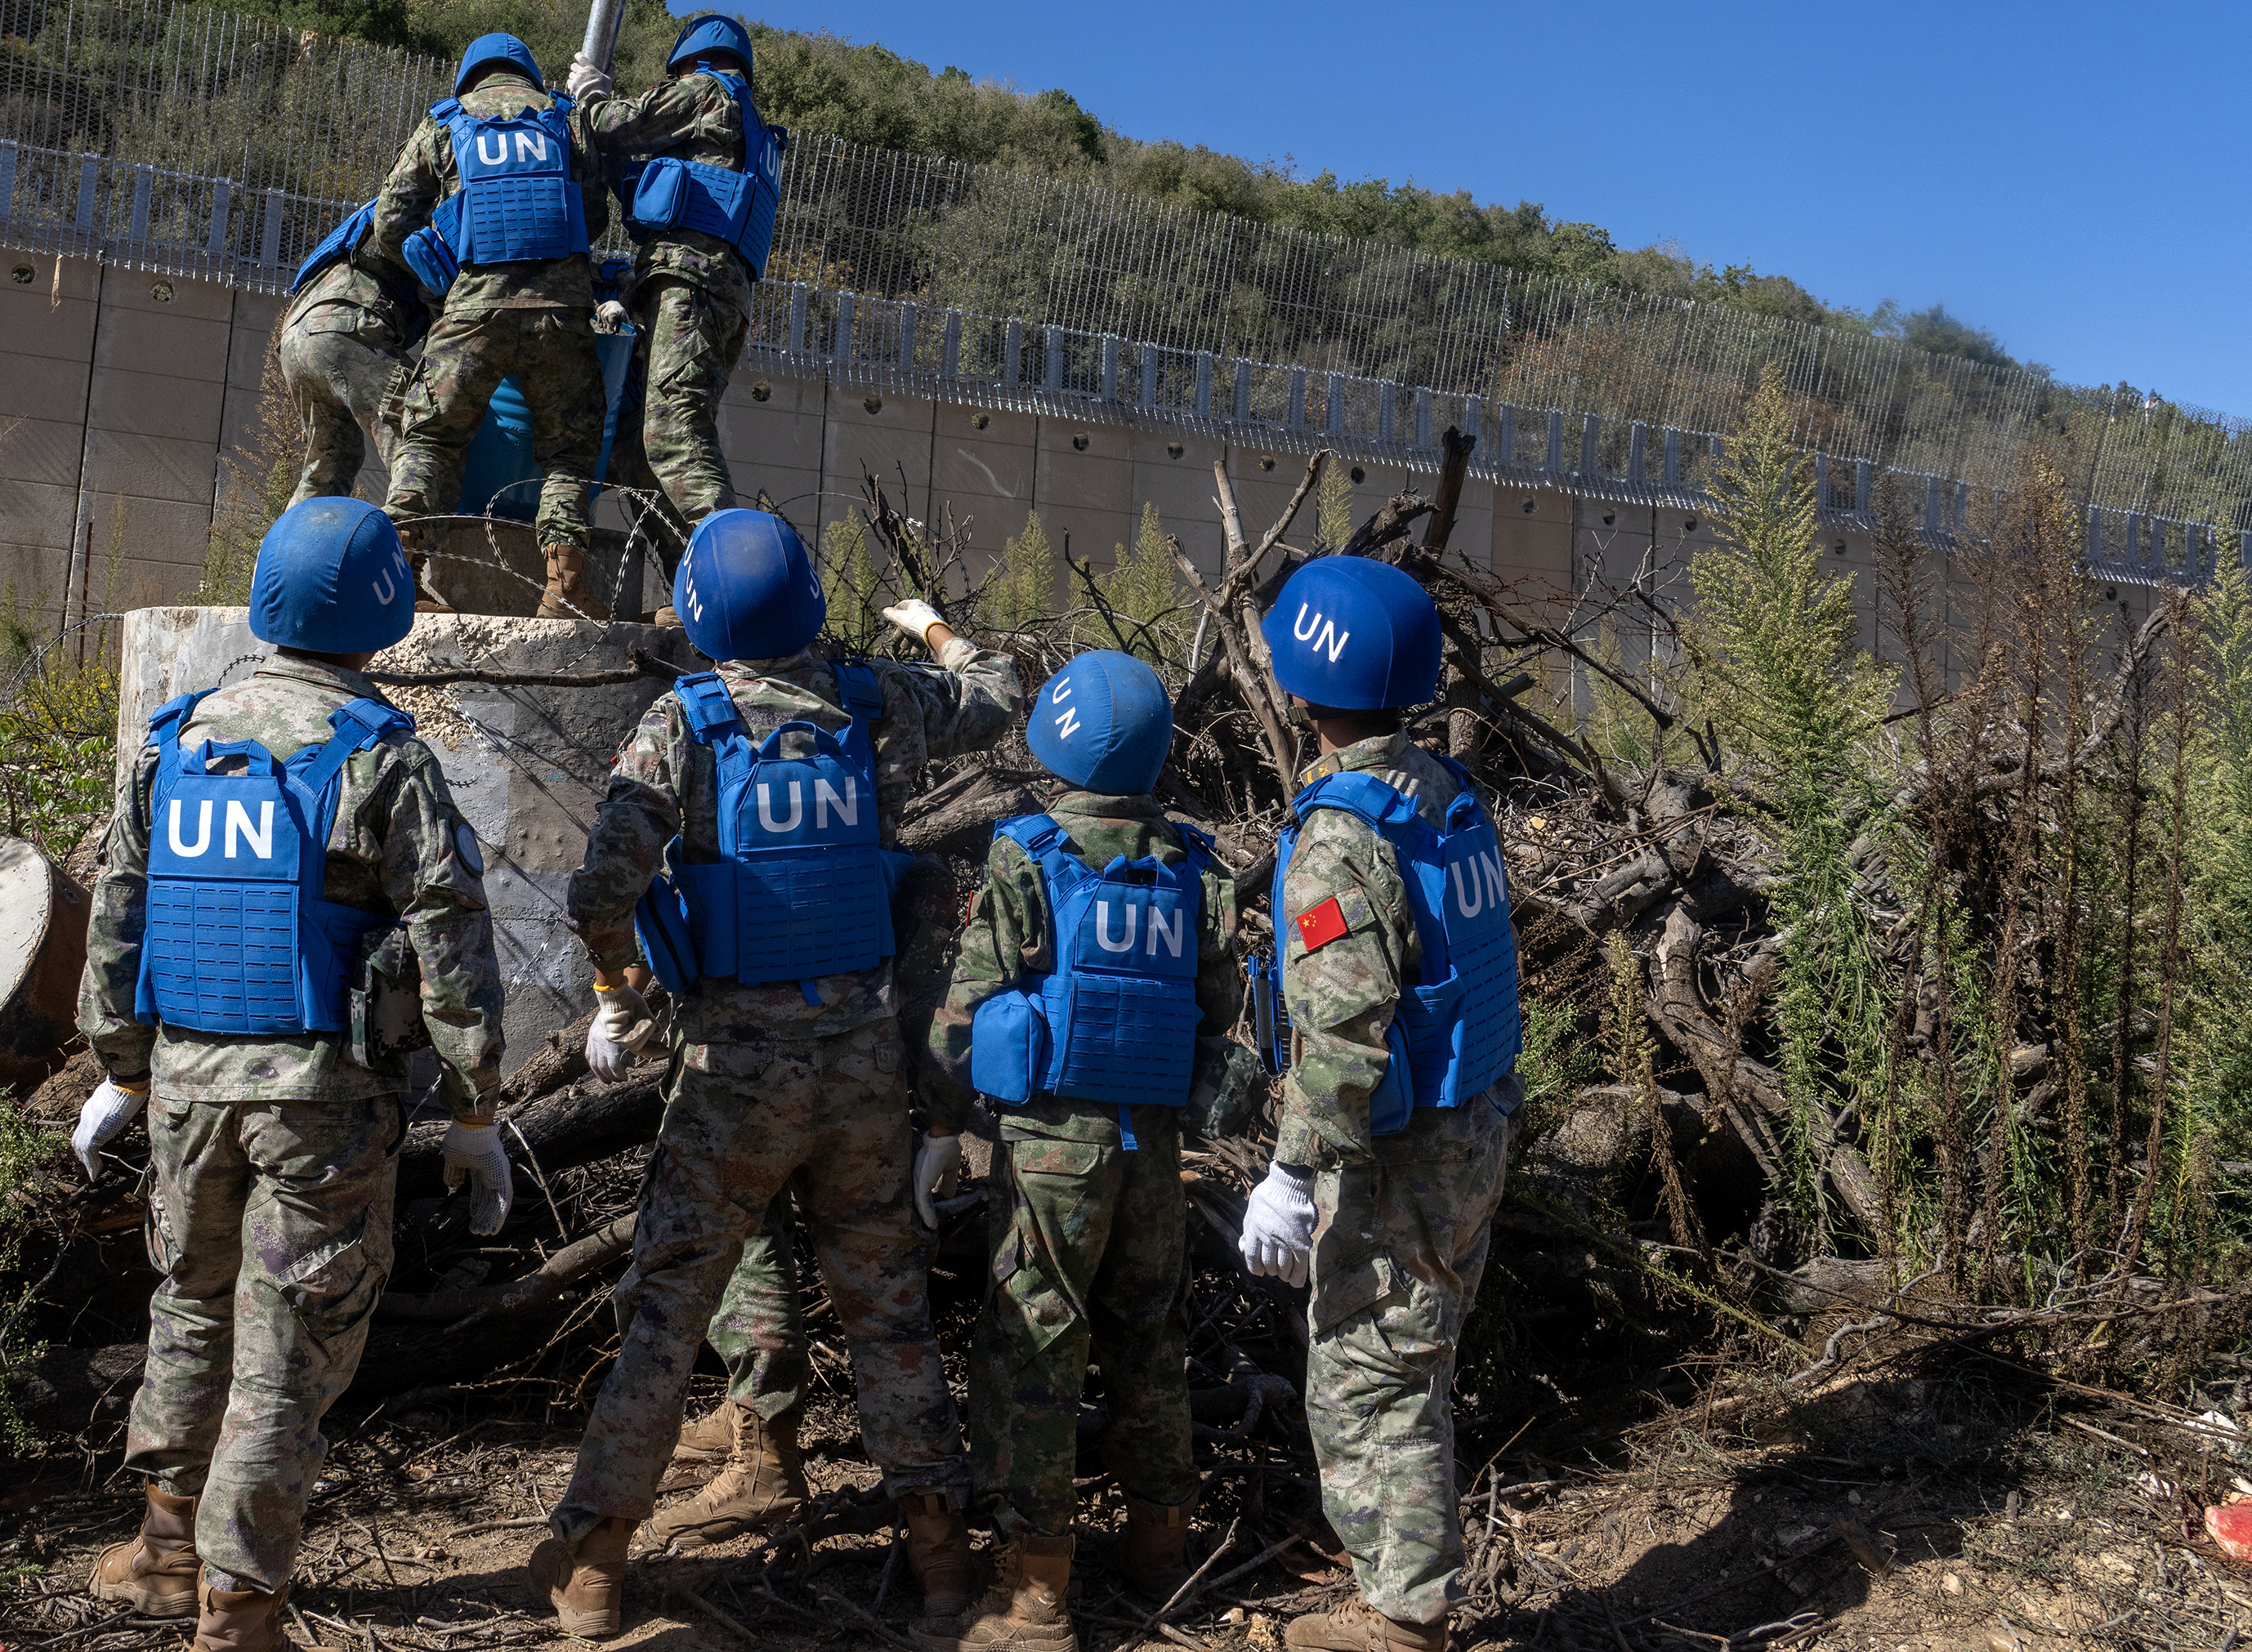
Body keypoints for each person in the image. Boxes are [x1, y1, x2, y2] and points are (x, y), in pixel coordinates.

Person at [525, 510, 1021, 1639]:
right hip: (862, 1066)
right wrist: (936, 629)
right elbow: (997, 694)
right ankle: (944, 1562)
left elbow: (600, 889)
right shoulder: (876, 698)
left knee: (666, 1310)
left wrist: (617, 994)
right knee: (888, 1309)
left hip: (733, 1075)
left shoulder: (683, 720)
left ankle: (594, 1564)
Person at [71, 496, 514, 1652]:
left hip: (187, 1086)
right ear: (384, 613)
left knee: (189, 1300)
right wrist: (474, 1107)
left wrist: (122, 1068)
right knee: (286, 1350)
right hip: (321, 1101)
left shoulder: (174, 742)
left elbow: (119, 914)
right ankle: (239, 1614)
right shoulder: (383, 755)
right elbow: (452, 941)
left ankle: (163, 1547)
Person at [909, 652, 1246, 1652]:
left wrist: (940, 1123)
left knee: (1035, 1346)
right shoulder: (1195, 862)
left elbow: (967, 1005)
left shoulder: (1030, 853)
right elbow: (1220, 1008)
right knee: (1151, 1333)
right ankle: (1161, 1548)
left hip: (1054, 1148)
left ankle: (1035, 1591)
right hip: (1155, 1147)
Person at [1235, 555, 1523, 1652]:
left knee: (1369, 1379)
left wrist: (1288, 1171)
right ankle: (1408, 1599)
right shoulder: (1441, 792)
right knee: (1414, 1358)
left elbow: (1343, 1039)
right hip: (1475, 1120)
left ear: (1301, 685)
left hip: (1401, 1153)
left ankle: (1405, 1625)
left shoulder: (1338, 838)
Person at [369, 32, 612, 618]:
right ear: (528, 73)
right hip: (560, 314)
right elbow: (595, 213)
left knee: (431, 436)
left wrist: (436, 266)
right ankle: (563, 589)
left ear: (470, 78)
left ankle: (401, 575)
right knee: (568, 451)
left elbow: (389, 221)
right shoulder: (566, 119)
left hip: (473, 307)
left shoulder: (447, 122)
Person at [564, 14, 781, 598]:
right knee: (641, 452)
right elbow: (652, 184)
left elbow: (619, 126)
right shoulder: (751, 130)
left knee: (675, 433)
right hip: (720, 292)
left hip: (691, 284)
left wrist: (591, 96)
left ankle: (734, 584)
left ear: (691, 62)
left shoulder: (708, 90)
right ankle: (695, 588)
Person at [275, 200, 454, 506]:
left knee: (328, 469)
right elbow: (442, 294)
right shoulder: (442, 211)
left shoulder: (390, 205)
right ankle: (415, 532)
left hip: (295, 338)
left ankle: (296, 536)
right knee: (422, 440)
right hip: (347, 328)